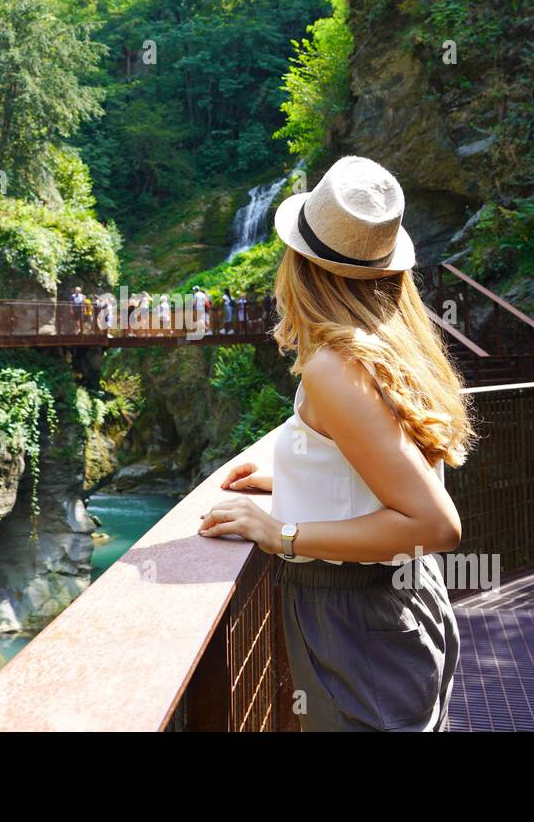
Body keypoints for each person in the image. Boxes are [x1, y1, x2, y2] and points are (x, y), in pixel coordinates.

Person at [198, 155, 473, 732]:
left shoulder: (335, 365)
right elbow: (381, 460)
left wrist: (281, 533)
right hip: (399, 603)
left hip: (353, 614)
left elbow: (435, 525)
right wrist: (299, 475)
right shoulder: (393, 344)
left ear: (301, 261)